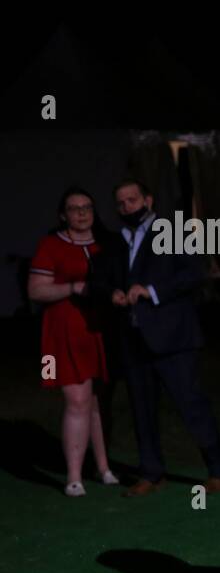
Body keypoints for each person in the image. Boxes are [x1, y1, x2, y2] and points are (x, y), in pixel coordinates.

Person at [89, 177, 220, 496]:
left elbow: (194, 273)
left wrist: (152, 291)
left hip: (174, 337)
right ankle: (151, 473)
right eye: (121, 202)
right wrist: (112, 293)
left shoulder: (173, 231)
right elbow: (98, 281)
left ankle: (219, 469)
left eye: (133, 200)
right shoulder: (116, 242)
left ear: (148, 200)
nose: (127, 207)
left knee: (190, 404)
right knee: (142, 409)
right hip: (133, 339)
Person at [27, 187, 119, 496]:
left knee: (95, 401)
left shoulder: (105, 244)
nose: (81, 213)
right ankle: (74, 476)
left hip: (98, 330)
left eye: (87, 207)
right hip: (61, 332)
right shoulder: (50, 245)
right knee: (77, 400)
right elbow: (35, 290)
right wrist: (73, 287)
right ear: (62, 215)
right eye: (73, 208)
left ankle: (103, 467)